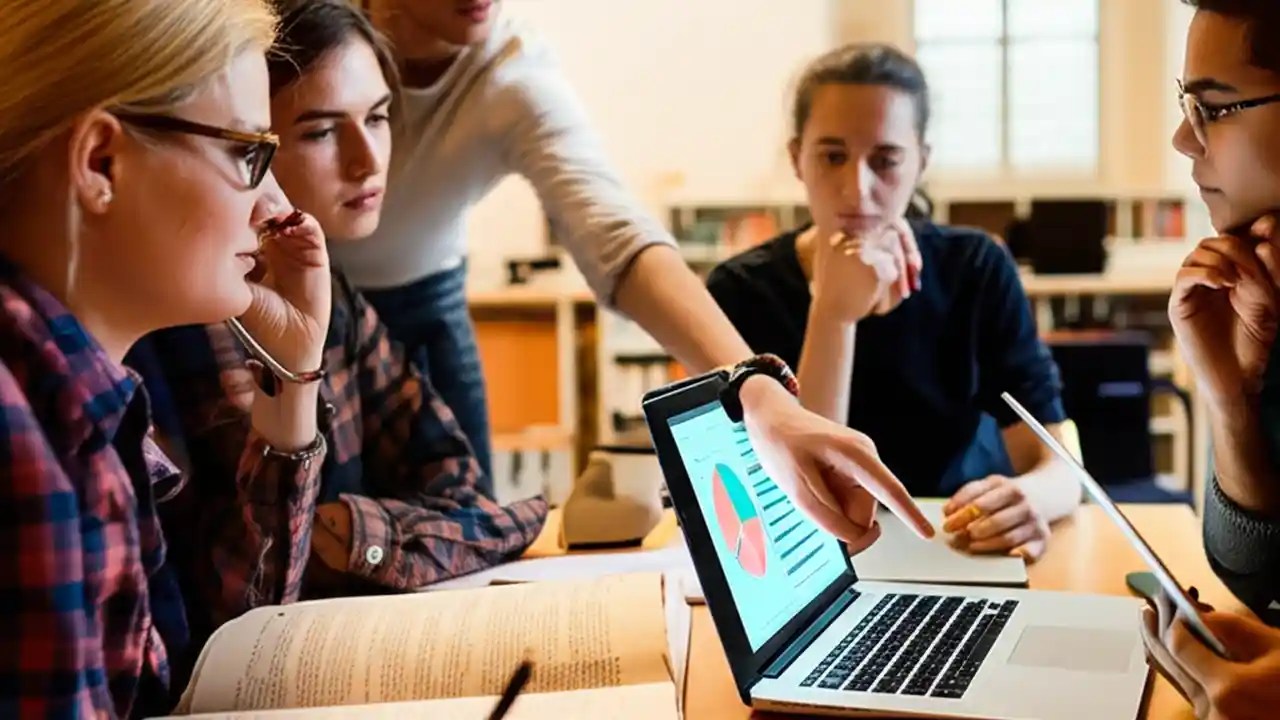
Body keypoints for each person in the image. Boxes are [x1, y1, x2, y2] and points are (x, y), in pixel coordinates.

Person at [334, 1, 934, 548]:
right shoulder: (298, 32)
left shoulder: (510, 74)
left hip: (425, 301)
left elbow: (616, 236)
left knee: (456, 544)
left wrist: (759, 393)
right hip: (282, 300)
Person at [129, 0, 547, 602]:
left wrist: (348, 535)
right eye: (321, 131)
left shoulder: (337, 299)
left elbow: (467, 491)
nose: (367, 160)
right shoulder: (175, 326)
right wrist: (346, 544)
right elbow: (233, 603)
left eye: (378, 118)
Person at [0, 0, 334, 716]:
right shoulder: (19, 437)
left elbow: (213, 664)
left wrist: (294, 373)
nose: (277, 206)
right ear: (101, 162)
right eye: (249, 154)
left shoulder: (78, 397)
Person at [706, 44, 1080, 562]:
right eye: (833, 156)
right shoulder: (739, 290)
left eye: (885, 161)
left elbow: (1060, 465)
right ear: (797, 158)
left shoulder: (974, 267)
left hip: (956, 543)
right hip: (814, 564)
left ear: (920, 162)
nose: (857, 190)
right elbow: (802, 507)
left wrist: (1029, 498)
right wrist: (834, 315)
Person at [1142, 1, 1280, 716]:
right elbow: (1262, 586)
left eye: (1214, 110)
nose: (1181, 139)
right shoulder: (1266, 291)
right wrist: (1232, 398)